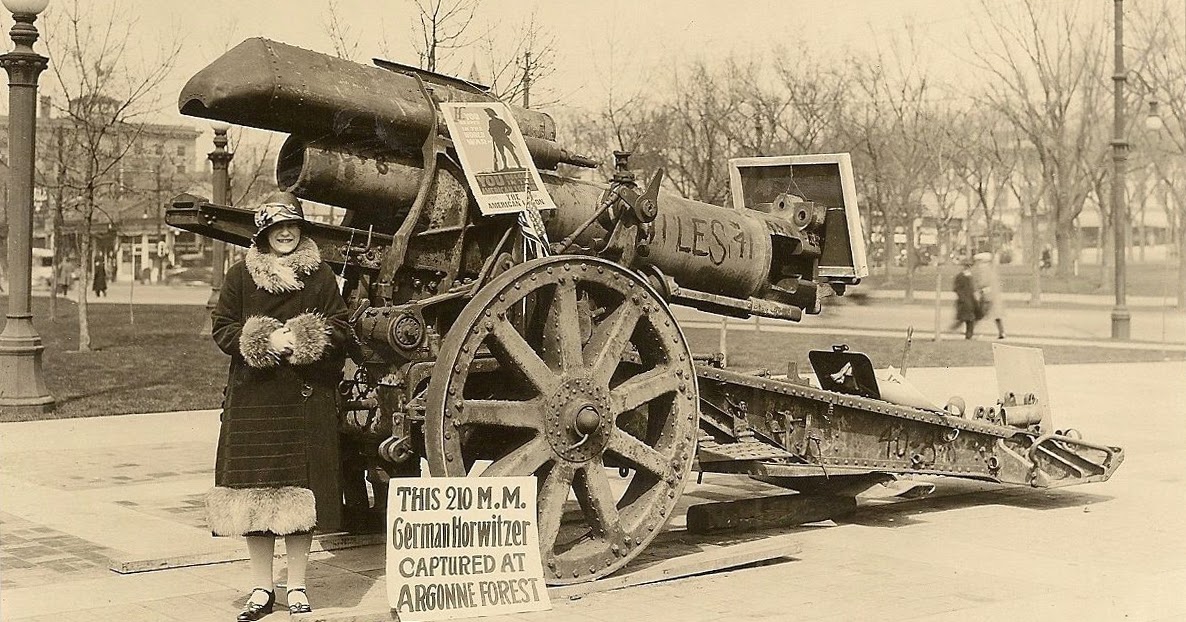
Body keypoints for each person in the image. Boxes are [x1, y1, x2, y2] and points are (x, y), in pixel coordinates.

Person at [205, 191, 351, 620]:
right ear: (263, 234)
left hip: (305, 401)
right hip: (254, 400)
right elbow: (223, 328)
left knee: (300, 501)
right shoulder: (240, 276)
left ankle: (298, 586)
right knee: (254, 499)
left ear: (301, 229)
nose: (285, 233)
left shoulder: (321, 276)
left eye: (292, 226)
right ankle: (261, 589)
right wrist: (265, 340)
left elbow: (341, 327)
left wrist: (303, 338)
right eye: (276, 227)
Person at [972, 251, 1006, 339]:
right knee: (996, 315)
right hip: (994, 296)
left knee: (979, 314)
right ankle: (1001, 332)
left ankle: (971, 332)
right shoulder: (991, 269)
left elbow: (983, 283)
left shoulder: (983, 269)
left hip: (987, 297)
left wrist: (979, 292)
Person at [952, 257, 980, 340]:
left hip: (971, 299)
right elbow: (956, 288)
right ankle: (968, 334)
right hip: (964, 300)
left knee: (970, 318)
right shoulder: (960, 276)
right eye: (966, 266)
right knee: (968, 318)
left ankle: (968, 334)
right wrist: (962, 297)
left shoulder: (970, 276)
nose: (968, 268)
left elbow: (973, 288)